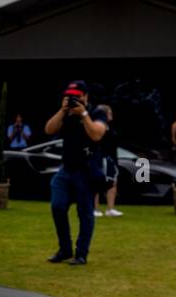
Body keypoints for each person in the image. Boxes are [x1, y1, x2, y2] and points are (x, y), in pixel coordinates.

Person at [43, 80, 107, 266]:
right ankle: (65, 249)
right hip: (66, 169)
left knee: (85, 213)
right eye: (69, 96)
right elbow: (49, 129)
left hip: (86, 172)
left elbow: (97, 134)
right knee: (57, 206)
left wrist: (84, 114)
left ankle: (81, 254)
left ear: (86, 96)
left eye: (77, 96)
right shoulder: (66, 114)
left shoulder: (97, 112)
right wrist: (63, 111)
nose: (73, 100)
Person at [93, 104, 121, 217]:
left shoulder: (110, 128)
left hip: (111, 159)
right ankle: (95, 209)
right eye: (109, 113)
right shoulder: (97, 127)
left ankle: (110, 209)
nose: (111, 115)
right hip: (100, 158)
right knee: (96, 183)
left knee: (112, 182)